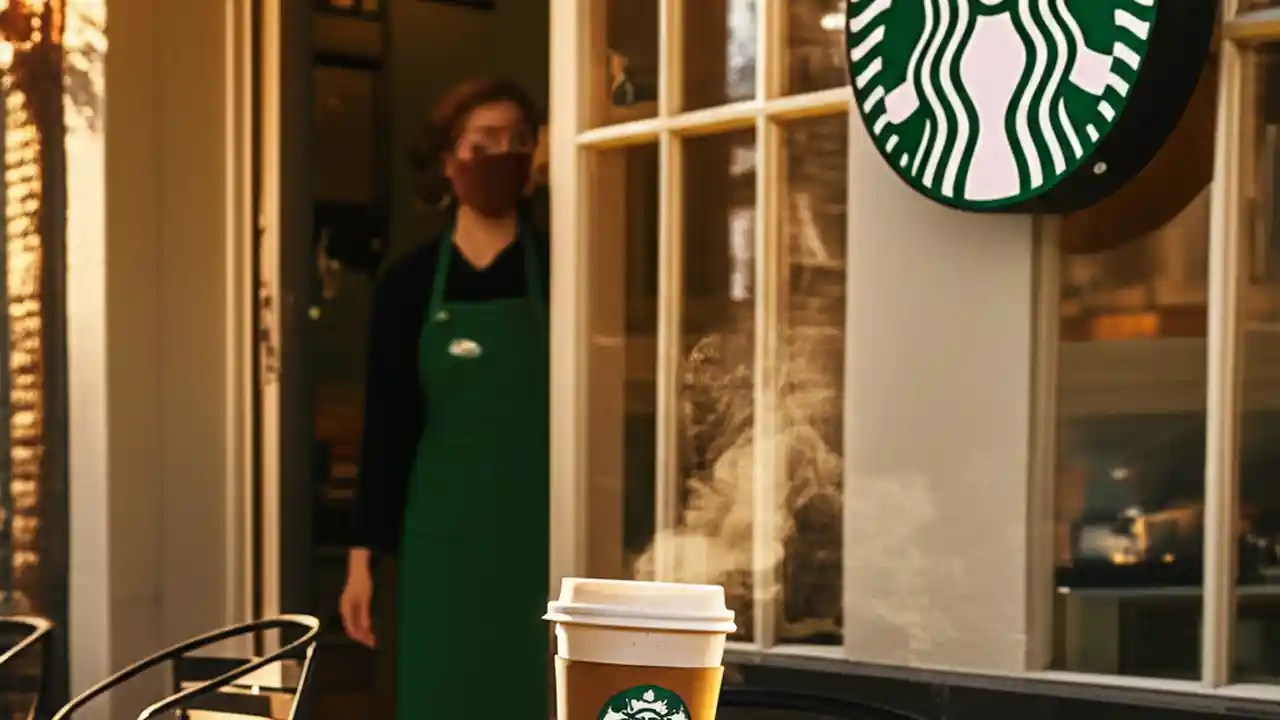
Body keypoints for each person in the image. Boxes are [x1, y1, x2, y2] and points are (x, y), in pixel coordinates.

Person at [339, 77, 550, 719]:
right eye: (484, 143)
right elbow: (388, 425)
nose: (502, 156)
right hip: (441, 544)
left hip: (539, 537)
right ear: (447, 159)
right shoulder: (407, 285)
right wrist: (361, 558)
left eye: (519, 142)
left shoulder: (566, 268)